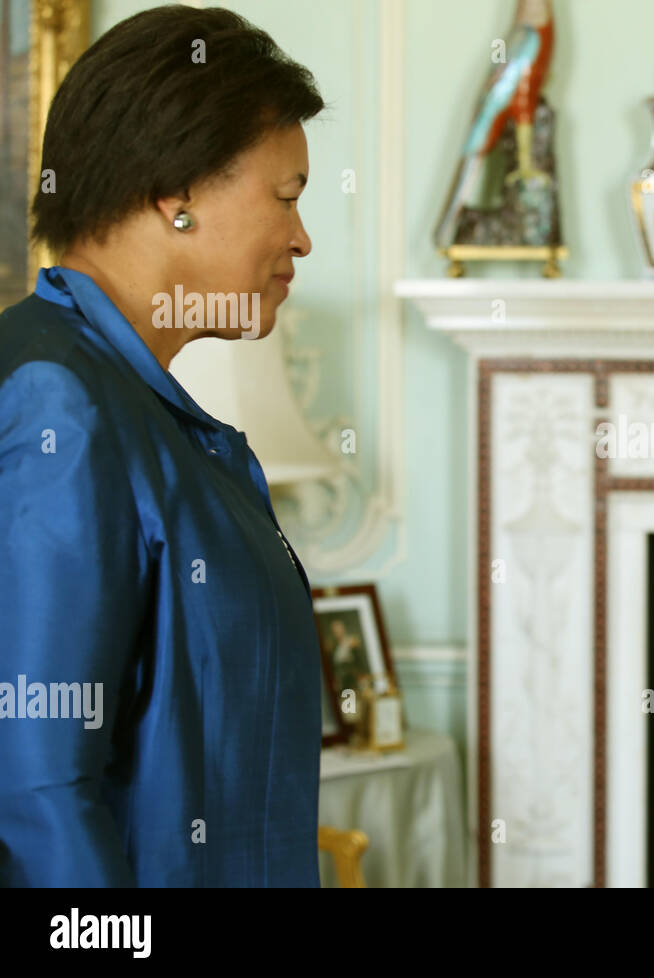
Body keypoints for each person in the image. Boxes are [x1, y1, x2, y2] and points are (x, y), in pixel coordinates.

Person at [0, 5, 325, 886]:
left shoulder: (145, 408)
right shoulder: (56, 400)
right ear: (175, 193)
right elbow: (38, 791)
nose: (301, 237)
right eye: (285, 196)